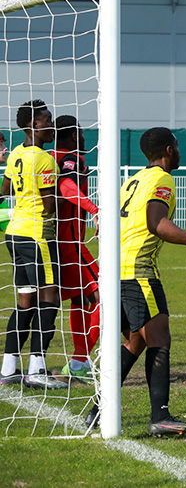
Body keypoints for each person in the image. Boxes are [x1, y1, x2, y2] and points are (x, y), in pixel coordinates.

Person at [86, 127, 186, 436]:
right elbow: (156, 223)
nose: (180, 151)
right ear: (169, 150)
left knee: (135, 341)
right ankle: (161, 416)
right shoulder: (162, 179)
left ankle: (96, 410)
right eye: (178, 146)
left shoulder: (133, 180)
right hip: (138, 271)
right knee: (159, 339)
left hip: (115, 269)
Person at [1, 100, 66, 389]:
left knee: (25, 301)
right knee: (49, 298)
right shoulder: (44, 159)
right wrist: (72, 191)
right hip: (37, 236)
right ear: (34, 125)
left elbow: (4, 190)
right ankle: (38, 369)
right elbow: (50, 206)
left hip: (14, 234)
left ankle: (8, 368)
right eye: (47, 119)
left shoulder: (16, 153)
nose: (51, 124)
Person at [51, 115, 101, 383]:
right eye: (80, 134)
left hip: (48, 242)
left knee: (80, 300)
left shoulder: (46, 156)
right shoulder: (71, 157)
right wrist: (93, 209)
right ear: (73, 136)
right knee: (104, 298)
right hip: (70, 244)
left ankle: (25, 362)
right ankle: (79, 361)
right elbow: (67, 185)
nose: (83, 139)